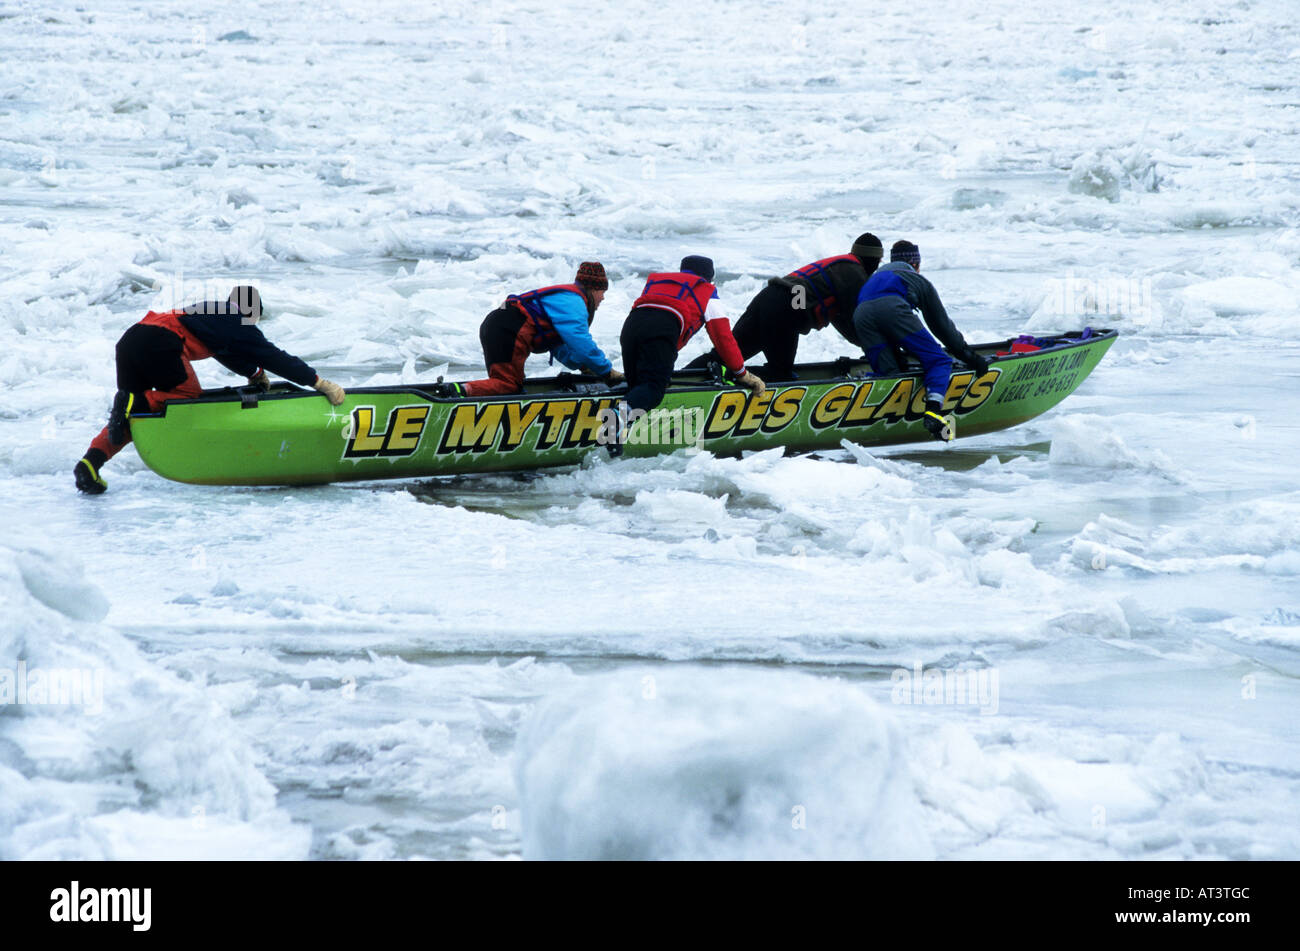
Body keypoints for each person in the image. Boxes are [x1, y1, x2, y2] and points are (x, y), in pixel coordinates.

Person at [74, 286, 346, 494]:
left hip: (132, 339)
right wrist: (318, 382)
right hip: (162, 341)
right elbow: (273, 355)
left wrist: (256, 374)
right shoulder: (239, 320)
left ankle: (90, 465)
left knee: (133, 416)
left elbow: (228, 353)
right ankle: (137, 401)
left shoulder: (213, 314)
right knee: (186, 398)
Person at [609, 255, 764, 455]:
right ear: (709, 277)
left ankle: (614, 439)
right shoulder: (706, 291)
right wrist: (743, 373)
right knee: (654, 389)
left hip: (630, 327)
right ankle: (616, 418)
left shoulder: (665, 285)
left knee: (638, 387)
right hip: (660, 329)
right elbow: (724, 339)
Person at [686, 233, 884, 381]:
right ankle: (731, 378)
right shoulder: (855, 274)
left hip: (767, 298)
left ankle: (676, 381)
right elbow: (854, 321)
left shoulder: (841, 267)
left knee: (723, 356)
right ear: (874, 262)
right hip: (784, 308)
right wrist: (879, 350)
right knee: (781, 374)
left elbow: (841, 319)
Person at [852, 241, 989, 441]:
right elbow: (942, 328)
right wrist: (969, 356)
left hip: (860, 315)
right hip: (892, 308)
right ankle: (933, 412)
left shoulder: (873, 279)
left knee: (891, 374)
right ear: (915, 263)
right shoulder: (916, 279)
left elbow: (874, 314)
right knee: (939, 360)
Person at [437, 262, 623, 397]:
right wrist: (607, 371)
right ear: (593, 288)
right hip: (509, 329)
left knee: (507, 386)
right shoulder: (574, 303)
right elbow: (581, 342)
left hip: (497, 325)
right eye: (603, 292)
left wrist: (584, 366)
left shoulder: (566, 300)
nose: (603, 298)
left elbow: (560, 346)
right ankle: (459, 391)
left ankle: (463, 392)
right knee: (509, 385)